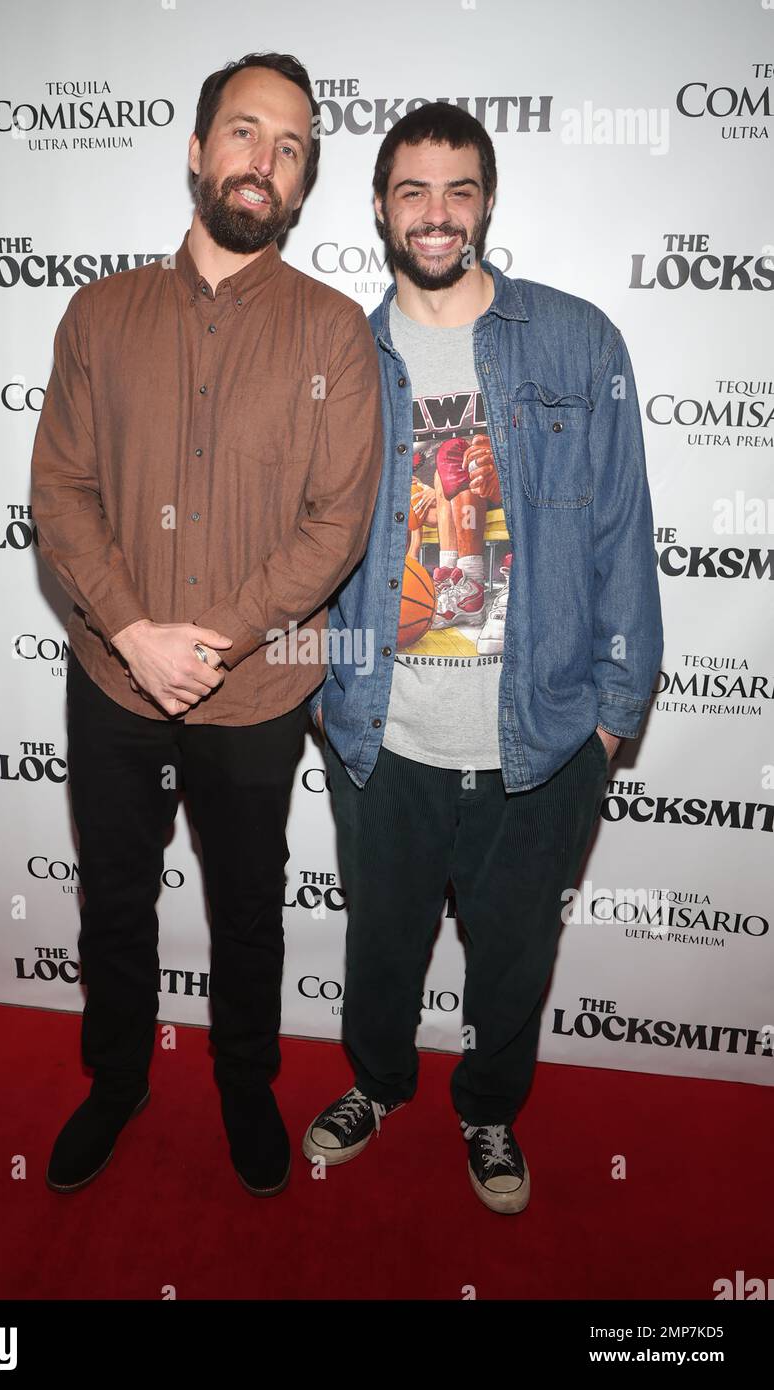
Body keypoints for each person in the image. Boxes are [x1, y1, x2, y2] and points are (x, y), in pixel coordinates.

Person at [30, 52, 383, 1198]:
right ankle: (117, 1078)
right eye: (242, 133)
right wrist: (134, 631)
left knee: (247, 908)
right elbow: (62, 494)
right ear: (196, 149)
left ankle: (244, 1083)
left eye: (289, 148)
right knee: (117, 898)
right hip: (111, 677)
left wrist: (212, 639)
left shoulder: (334, 335)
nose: (261, 161)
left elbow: (334, 527)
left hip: (258, 693)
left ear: (303, 179)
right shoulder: (98, 313)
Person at [303, 104, 663, 1214]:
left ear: (487, 201)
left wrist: (611, 719)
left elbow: (618, 532)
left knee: (512, 963)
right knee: (380, 947)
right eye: (411, 190)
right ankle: (374, 1080)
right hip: (387, 733)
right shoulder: (337, 358)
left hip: (542, 737)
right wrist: (318, 683)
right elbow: (296, 538)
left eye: (458, 189)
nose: (434, 213)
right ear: (377, 205)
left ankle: (489, 1110)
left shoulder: (574, 339)